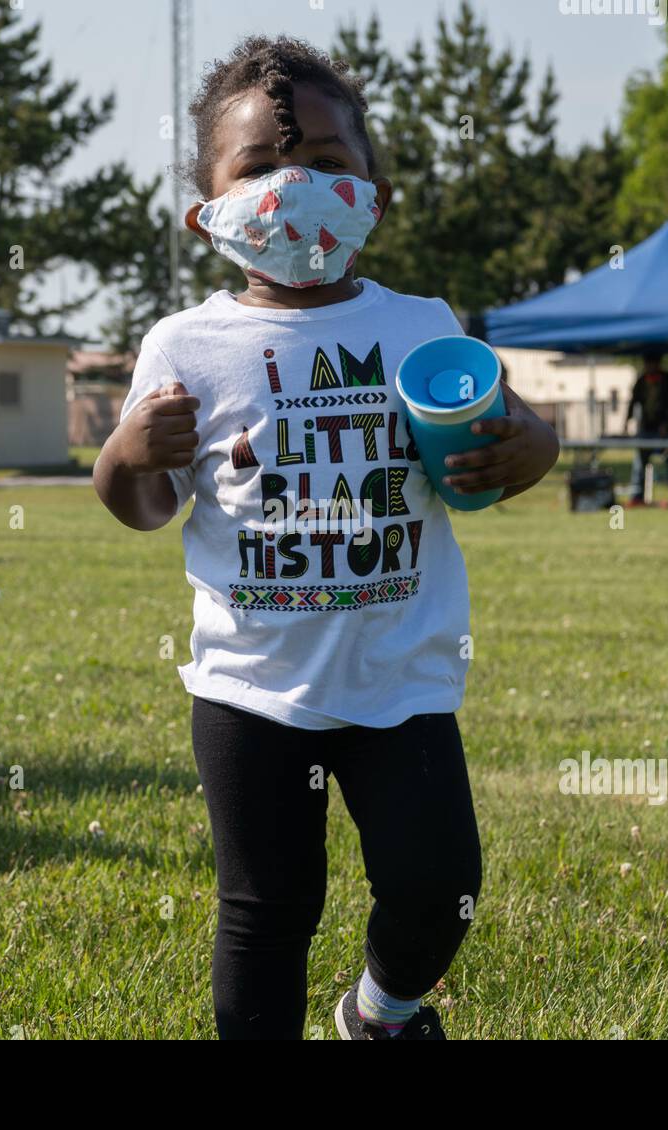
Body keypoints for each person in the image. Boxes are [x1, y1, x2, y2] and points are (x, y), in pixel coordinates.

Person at [93, 35, 559, 1041]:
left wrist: (529, 448)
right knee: (266, 911)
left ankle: (377, 1012)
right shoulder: (184, 345)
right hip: (250, 687)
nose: (295, 186)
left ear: (376, 197)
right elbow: (140, 507)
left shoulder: (423, 323)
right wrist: (128, 452)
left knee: (438, 886)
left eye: (329, 167)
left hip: (400, 679)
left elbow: (514, 433)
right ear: (206, 210)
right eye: (259, 168)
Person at [626, 349, 668, 507]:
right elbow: (633, 402)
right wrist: (627, 422)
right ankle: (637, 497)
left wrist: (666, 423)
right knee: (639, 464)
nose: (649, 366)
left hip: (664, 429)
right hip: (646, 428)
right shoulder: (641, 381)